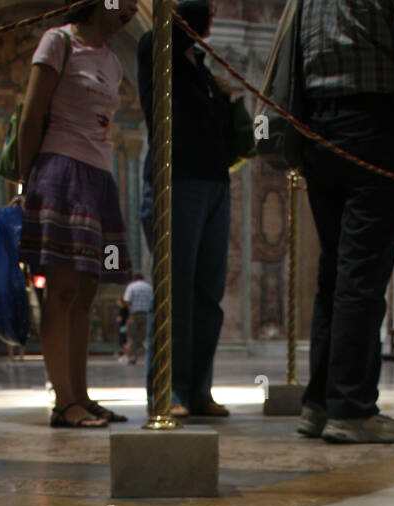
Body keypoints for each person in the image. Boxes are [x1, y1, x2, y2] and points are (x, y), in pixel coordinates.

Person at [297, 0, 394, 443]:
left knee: (334, 272)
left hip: (318, 128)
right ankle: (352, 408)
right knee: (361, 275)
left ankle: (320, 405)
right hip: (377, 125)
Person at [18, 0, 137, 428]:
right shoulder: (58, 41)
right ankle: (63, 401)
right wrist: (26, 184)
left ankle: (82, 396)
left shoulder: (113, 61)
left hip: (99, 179)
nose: (132, 8)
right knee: (63, 289)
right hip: (60, 173)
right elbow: (31, 117)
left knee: (87, 291)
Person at [138, 1, 233, 417]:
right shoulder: (156, 47)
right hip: (175, 180)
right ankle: (169, 392)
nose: (211, 12)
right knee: (174, 292)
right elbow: (174, 29)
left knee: (208, 296)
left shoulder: (202, 66)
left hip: (215, 184)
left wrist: (224, 97)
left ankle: (198, 392)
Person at [122, 270, 152, 363]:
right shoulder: (149, 287)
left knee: (131, 337)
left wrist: (129, 312)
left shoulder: (131, 286)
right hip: (146, 314)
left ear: (134, 278)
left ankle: (132, 357)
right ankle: (150, 357)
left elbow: (127, 301)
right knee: (146, 337)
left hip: (134, 315)